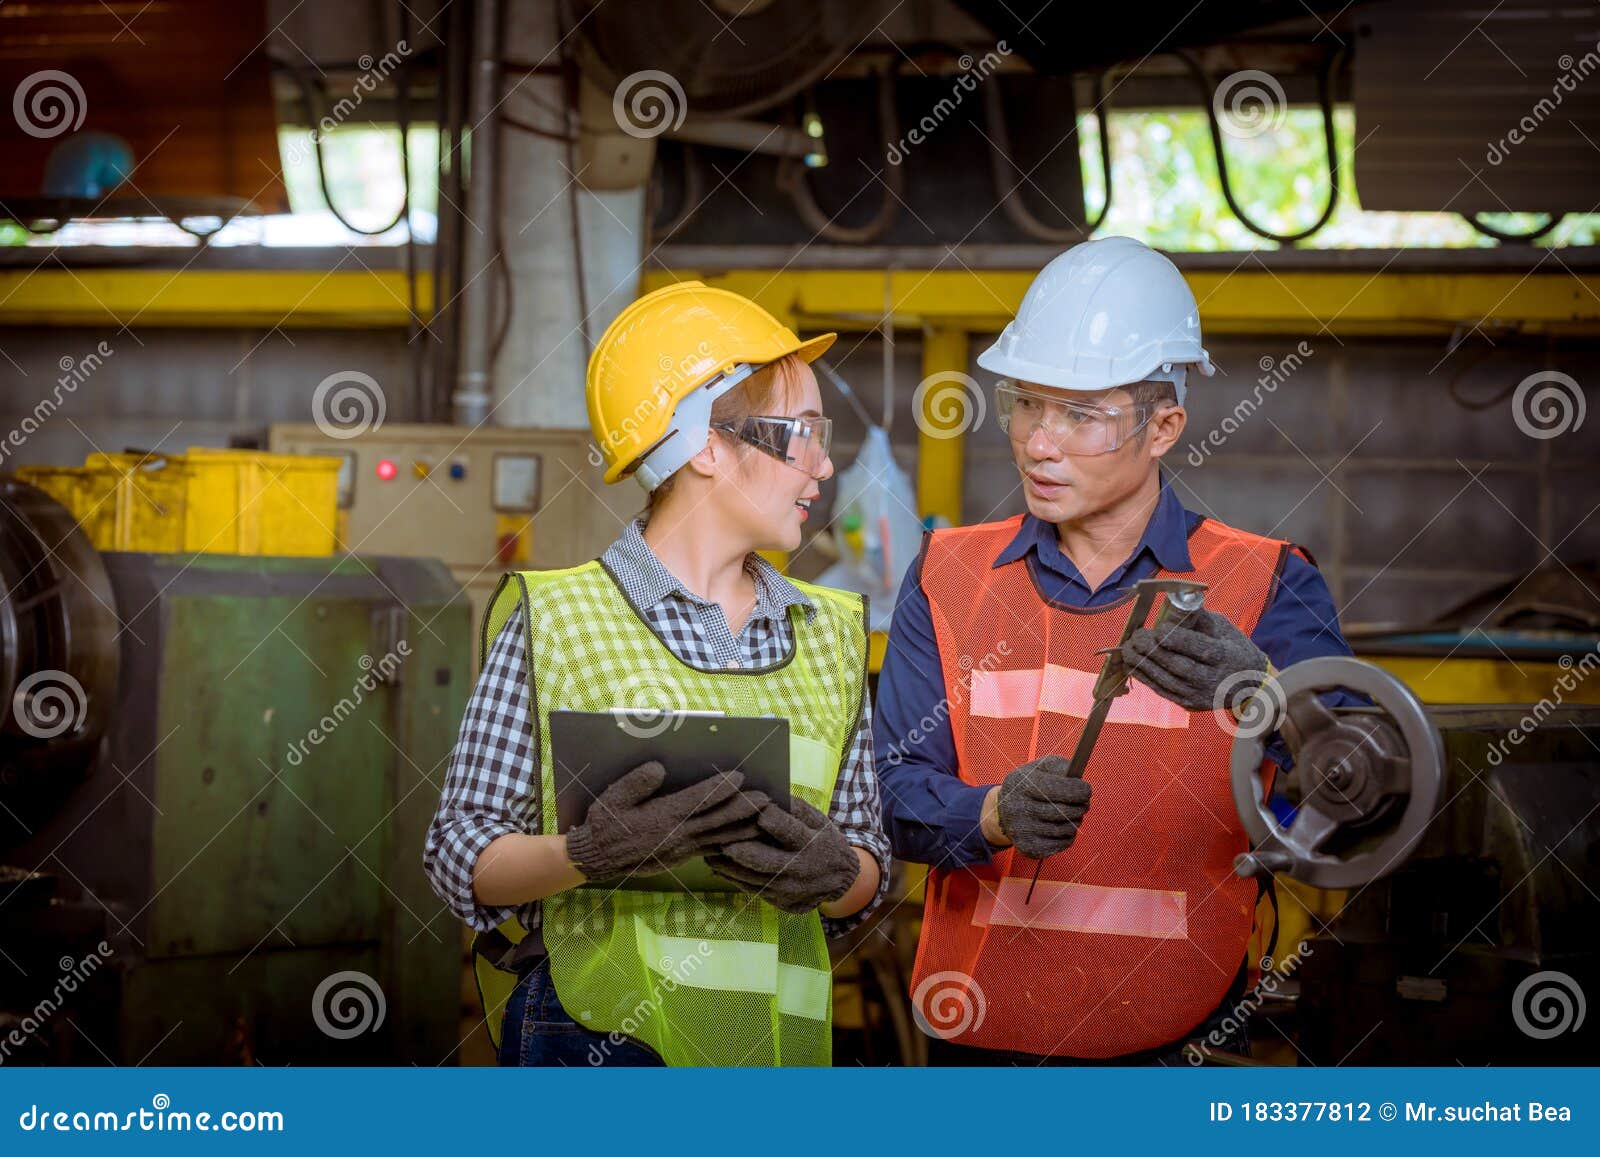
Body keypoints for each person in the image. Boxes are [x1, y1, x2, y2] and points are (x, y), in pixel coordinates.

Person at [875, 236, 1355, 1065]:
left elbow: (1356, 795)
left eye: (1081, 413)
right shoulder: (948, 575)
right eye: (1027, 403)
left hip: (1182, 1035)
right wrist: (990, 814)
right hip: (977, 1029)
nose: (1038, 441)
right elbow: (886, 792)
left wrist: (1268, 697)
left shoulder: (1267, 580)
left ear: (1165, 425)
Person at [424, 282, 888, 1067]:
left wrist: (839, 873)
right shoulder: (559, 620)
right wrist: (585, 855)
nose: (823, 463)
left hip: (772, 1058)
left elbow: (866, 865)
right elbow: (459, 853)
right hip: (595, 1045)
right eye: (800, 434)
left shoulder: (832, 632)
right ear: (707, 444)